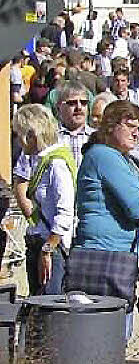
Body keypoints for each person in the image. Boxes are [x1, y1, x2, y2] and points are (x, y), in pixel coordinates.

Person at [65, 101, 139, 338]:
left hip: (114, 252)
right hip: (106, 254)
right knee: (107, 337)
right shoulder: (105, 156)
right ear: (110, 126)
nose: (136, 133)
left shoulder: (117, 157)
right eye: (130, 126)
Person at [12, 105, 75, 296]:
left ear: (31, 135)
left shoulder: (57, 164)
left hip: (52, 247)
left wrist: (47, 249)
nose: (18, 141)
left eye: (19, 135)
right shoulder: (40, 160)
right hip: (38, 240)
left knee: (49, 307)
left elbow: (65, 211)